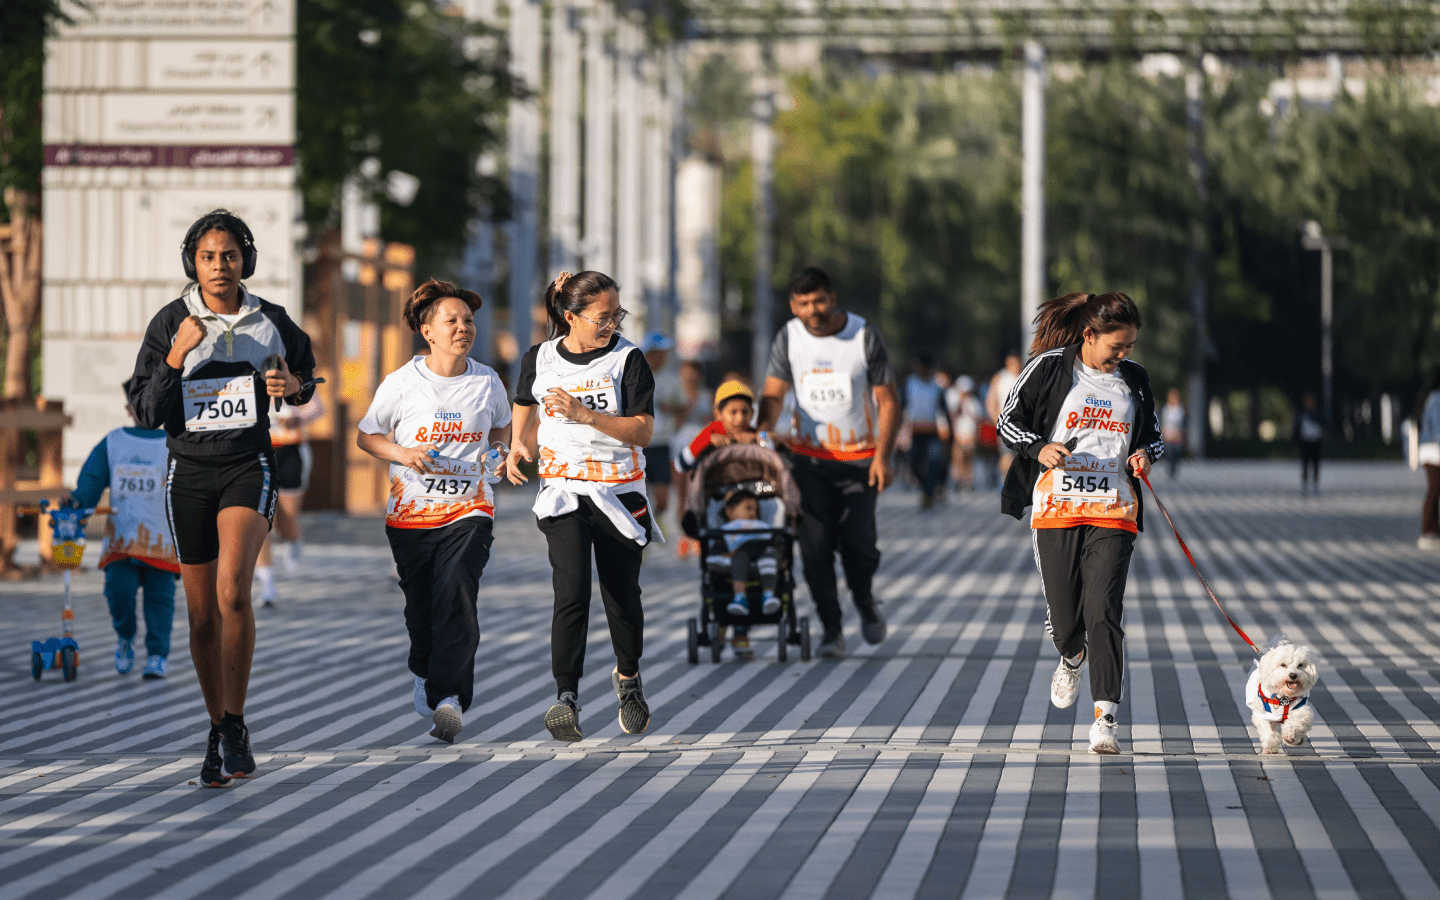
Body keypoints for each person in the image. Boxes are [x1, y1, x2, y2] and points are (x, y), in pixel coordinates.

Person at [128, 209, 316, 787]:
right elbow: (146, 412)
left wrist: (293, 387)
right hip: (187, 470)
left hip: (246, 465)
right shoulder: (171, 322)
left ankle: (235, 721)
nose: (219, 266)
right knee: (202, 613)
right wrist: (177, 355)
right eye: (208, 257)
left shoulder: (271, 320)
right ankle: (218, 729)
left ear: (246, 261)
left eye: (229, 255)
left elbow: (306, 376)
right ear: (193, 262)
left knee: (233, 590)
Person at [998, 291, 1163, 755]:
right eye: (1117, 346)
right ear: (1089, 335)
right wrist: (1038, 448)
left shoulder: (1134, 380)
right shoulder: (1051, 367)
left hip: (1114, 510)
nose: (1124, 355)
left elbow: (1156, 437)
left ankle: (1105, 719)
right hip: (1056, 510)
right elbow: (1007, 422)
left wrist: (1144, 456)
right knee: (1067, 620)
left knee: (1104, 610)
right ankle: (1071, 656)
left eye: (1130, 346)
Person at [505, 270, 657, 743]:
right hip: (565, 491)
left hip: (619, 493)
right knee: (570, 591)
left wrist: (586, 415)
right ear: (570, 316)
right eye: (602, 317)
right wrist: (517, 444)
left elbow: (643, 431)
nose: (612, 324)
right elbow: (524, 400)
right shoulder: (541, 358)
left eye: (617, 315)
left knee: (621, 595)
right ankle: (565, 696)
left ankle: (628, 680)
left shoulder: (628, 360)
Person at [357, 280, 511, 743]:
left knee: (457, 595)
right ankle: (425, 672)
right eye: (452, 320)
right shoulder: (402, 383)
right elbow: (367, 436)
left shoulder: (487, 381)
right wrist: (403, 455)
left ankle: (450, 699)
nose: (463, 328)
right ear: (428, 331)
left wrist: (498, 453)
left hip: (470, 508)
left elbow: (502, 427)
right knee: (422, 611)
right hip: (410, 514)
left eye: (468, 321)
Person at [758, 266, 900, 658]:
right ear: (793, 306)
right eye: (803, 303)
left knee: (859, 546)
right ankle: (831, 629)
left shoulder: (863, 335)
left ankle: (865, 599)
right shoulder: (789, 337)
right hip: (809, 463)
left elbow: (888, 401)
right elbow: (772, 396)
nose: (813, 309)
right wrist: (758, 437)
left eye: (819, 300)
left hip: (860, 462)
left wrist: (882, 458)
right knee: (815, 548)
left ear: (832, 298)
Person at [71, 382, 179, 679]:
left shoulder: (176, 442)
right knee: (119, 594)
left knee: (160, 601)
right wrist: (78, 501)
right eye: (139, 403)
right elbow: (92, 478)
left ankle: (157, 653)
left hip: (163, 541)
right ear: (128, 409)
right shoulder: (114, 441)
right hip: (121, 539)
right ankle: (125, 636)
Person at [676, 379, 761, 658]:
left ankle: (740, 632)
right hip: (718, 515)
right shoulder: (710, 433)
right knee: (719, 575)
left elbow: (775, 459)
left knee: (749, 572)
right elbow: (681, 463)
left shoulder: (755, 435)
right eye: (732, 412)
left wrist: (759, 440)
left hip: (749, 515)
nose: (739, 418)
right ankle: (723, 623)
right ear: (718, 413)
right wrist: (706, 443)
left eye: (745, 412)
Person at [255, 395, 323, 608]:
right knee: (261, 522)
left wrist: (297, 417)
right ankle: (267, 587)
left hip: (290, 450)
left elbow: (318, 407)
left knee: (286, 521)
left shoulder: (294, 373)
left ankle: (293, 539)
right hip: (257, 453)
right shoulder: (247, 375)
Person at [642, 332, 685, 536]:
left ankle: (654, 518)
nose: (663, 357)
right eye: (659, 352)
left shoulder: (671, 378)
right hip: (639, 442)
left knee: (663, 499)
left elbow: (683, 407)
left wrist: (671, 410)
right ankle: (641, 534)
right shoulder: (635, 376)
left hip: (661, 443)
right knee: (639, 493)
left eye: (664, 353)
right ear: (649, 353)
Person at [718, 489, 782, 614]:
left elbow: (775, 538)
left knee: (769, 556)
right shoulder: (727, 528)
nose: (753, 513)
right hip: (740, 551)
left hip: (763, 549)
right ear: (729, 512)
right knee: (738, 559)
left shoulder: (760, 525)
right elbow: (718, 546)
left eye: (756, 511)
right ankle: (740, 597)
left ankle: (768, 595)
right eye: (748, 508)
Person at [903, 355, 951, 509]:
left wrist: (949, 430)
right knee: (913, 464)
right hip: (915, 431)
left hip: (932, 431)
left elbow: (944, 409)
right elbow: (901, 405)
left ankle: (928, 495)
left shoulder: (937, 386)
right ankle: (926, 488)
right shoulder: (910, 384)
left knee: (933, 463)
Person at [988, 352, 1023, 480]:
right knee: (1006, 454)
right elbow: (991, 401)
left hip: (1023, 423)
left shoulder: (1024, 376)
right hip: (1006, 422)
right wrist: (996, 420)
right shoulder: (1000, 378)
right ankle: (1005, 481)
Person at [946, 374, 982, 491]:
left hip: (970, 435)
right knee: (958, 458)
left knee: (969, 459)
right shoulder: (955, 401)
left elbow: (977, 420)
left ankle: (968, 481)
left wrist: (975, 436)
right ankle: (959, 480)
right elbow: (952, 416)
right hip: (958, 435)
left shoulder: (974, 403)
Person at [1418, 372, 1440, 550]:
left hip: (1430, 450)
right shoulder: (1438, 399)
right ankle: (1428, 531)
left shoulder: (1432, 397)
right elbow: (1438, 428)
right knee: (1434, 491)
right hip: (1435, 452)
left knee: (1434, 490)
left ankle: (1432, 530)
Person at [1294, 393, 1324, 494]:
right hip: (1305, 442)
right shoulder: (1302, 414)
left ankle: (1315, 483)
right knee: (1305, 464)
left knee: (1316, 464)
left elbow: (1323, 425)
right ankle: (1305, 483)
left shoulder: (1318, 413)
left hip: (1315, 442)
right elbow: (1297, 428)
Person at [1160, 388, 1186, 480]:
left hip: (1177, 435)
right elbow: (1163, 422)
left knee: (1176, 454)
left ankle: (1174, 471)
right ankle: (1170, 472)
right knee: (1169, 454)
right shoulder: (1166, 409)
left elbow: (1182, 423)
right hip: (1168, 435)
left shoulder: (1180, 409)